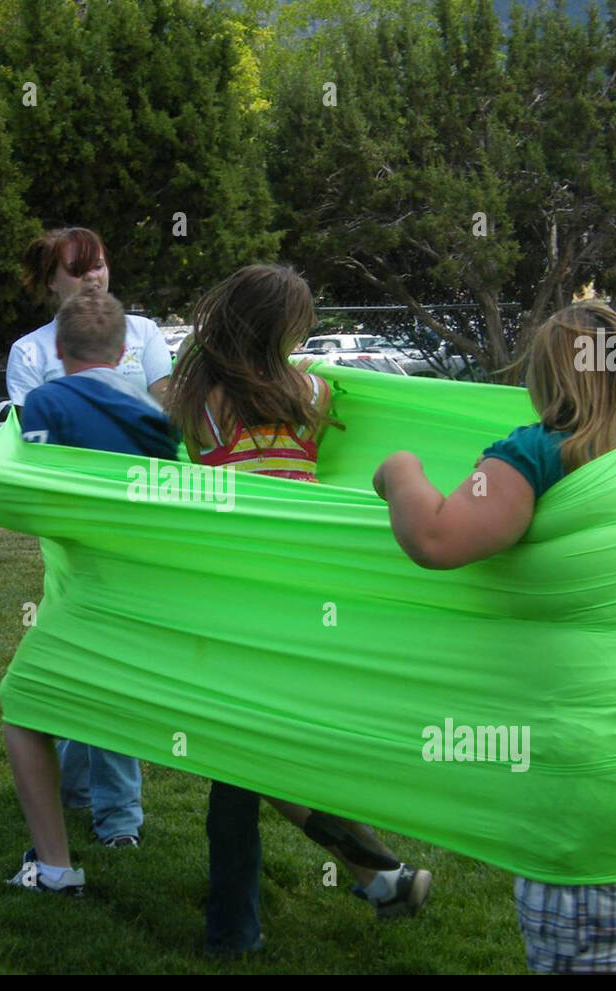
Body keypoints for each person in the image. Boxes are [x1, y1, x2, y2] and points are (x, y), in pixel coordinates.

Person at [372, 299, 616, 974]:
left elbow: (435, 536)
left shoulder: (537, 454)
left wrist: (398, 469)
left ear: (547, 379)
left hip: (606, 789)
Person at [169, 264, 433, 954]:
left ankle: (238, 929)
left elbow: (174, 430)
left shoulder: (199, 402)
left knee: (240, 764)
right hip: (308, 592)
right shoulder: (313, 392)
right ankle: (380, 875)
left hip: (234, 598)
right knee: (259, 754)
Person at [4, 288, 181, 895]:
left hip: (86, 569)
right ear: (127, 349)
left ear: (57, 348)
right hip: (144, 568)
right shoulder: (157, 412)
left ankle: (117, 822)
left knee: (77, 688)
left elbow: (39, 479)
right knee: (93, 680)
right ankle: (86, 799)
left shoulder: (48, 401)